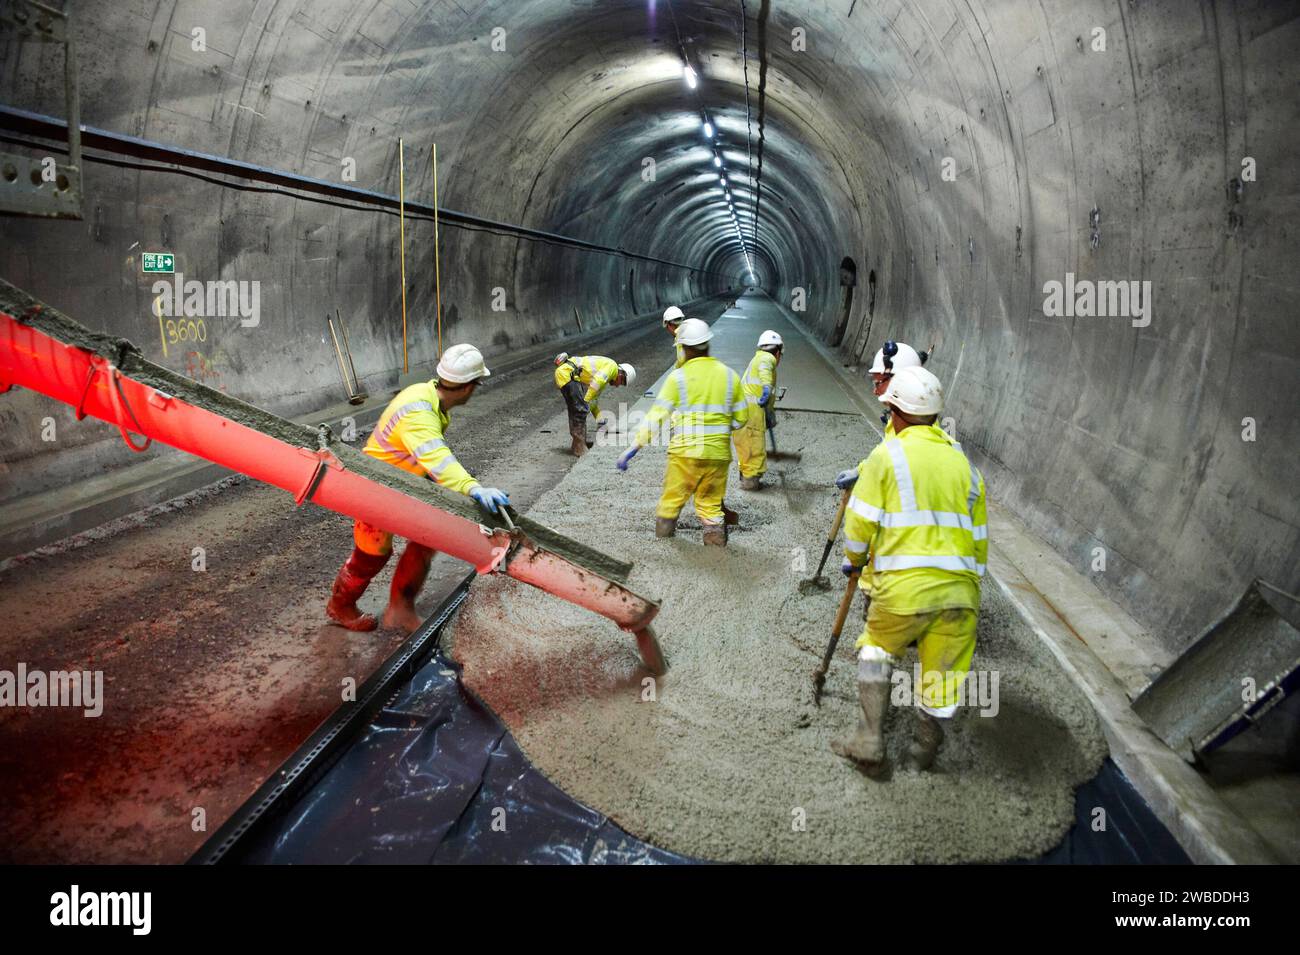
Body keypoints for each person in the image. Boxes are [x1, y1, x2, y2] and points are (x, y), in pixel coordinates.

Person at [832, 365, 987, 773]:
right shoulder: (966, 466)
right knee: (942, 677)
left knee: (877, 650)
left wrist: (854, 560)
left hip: (903, 590)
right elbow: (980, 542)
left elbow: (860, 520)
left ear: (896, 412)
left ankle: (868, 741)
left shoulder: (888, 455)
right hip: (961, 594)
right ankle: (922, 754)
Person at [325, 344, 510, 634]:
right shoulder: (419, 413)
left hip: (402, 482)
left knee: (426, 537)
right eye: (476, 384)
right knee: (371, 556)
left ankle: (400, 608)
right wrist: (472, 488)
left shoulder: (425, 395)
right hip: (375, 489)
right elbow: (437, 458)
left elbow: (425, 457)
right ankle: (340, 606)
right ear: (466, 388)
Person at [616, 318, 747, 546]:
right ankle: (715, 553)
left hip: (684, 454)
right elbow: (741, 419)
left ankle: (665, 541)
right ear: (706, 345)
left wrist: (632, 448)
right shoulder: (730, 376)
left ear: (683, 349)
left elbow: (655, 418)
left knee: (671, 501)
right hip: (717, 455)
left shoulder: (677, 378)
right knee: (711, 505)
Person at [553, 353, 636, 456]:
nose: (618, 385)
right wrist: (586, 401)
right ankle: (579, 447)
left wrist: (601, 422)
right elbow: (597, 382)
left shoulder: (606, 374)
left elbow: (593, 401)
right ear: (621, 374)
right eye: (622, 382)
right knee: (580, 410)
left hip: (568, 375)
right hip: (566, 375)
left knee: (578, 409)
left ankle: (579, 443)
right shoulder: (612, 368)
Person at [733, 330, 783, 490]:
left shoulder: (757, 358)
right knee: (754, 444)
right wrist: (767, 386)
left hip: (743, 411)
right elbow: (765, 369)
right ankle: (750, 480)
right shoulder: (766, 358)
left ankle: (746, 474)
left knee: (745, 443)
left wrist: (769, 413)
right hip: (751, 412)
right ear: (777, 352)